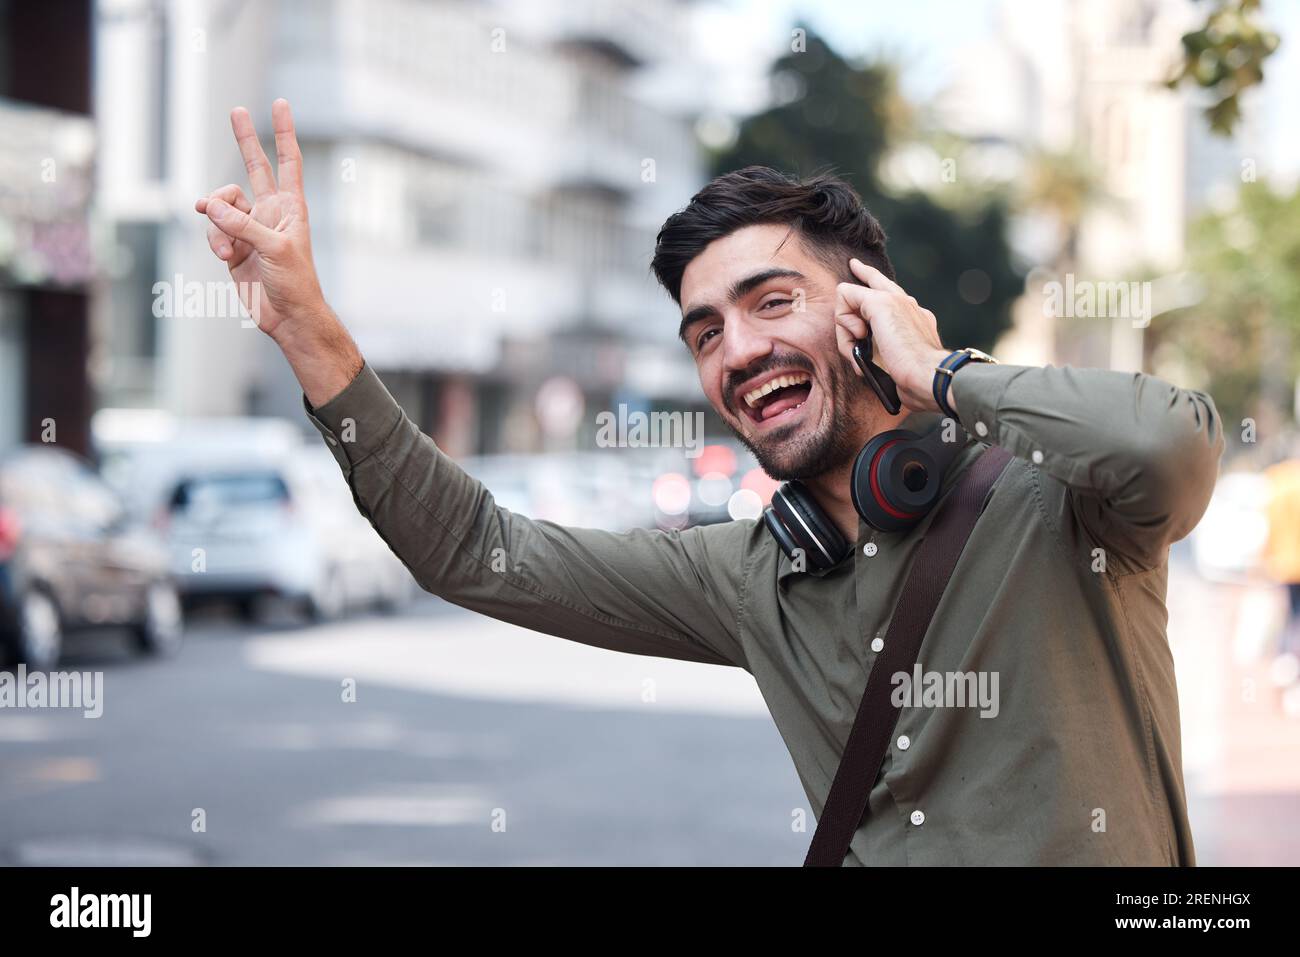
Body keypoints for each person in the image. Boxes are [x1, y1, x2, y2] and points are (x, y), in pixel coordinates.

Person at [196, 99, 1224, 866]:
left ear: (869, 307)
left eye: (771, 301)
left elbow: (1170, 447)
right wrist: (310, 333)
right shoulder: (745, 576)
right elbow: (475, 552)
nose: (735, 349)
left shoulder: (1059, 496)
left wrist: (941, 373)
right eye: (704, 332)